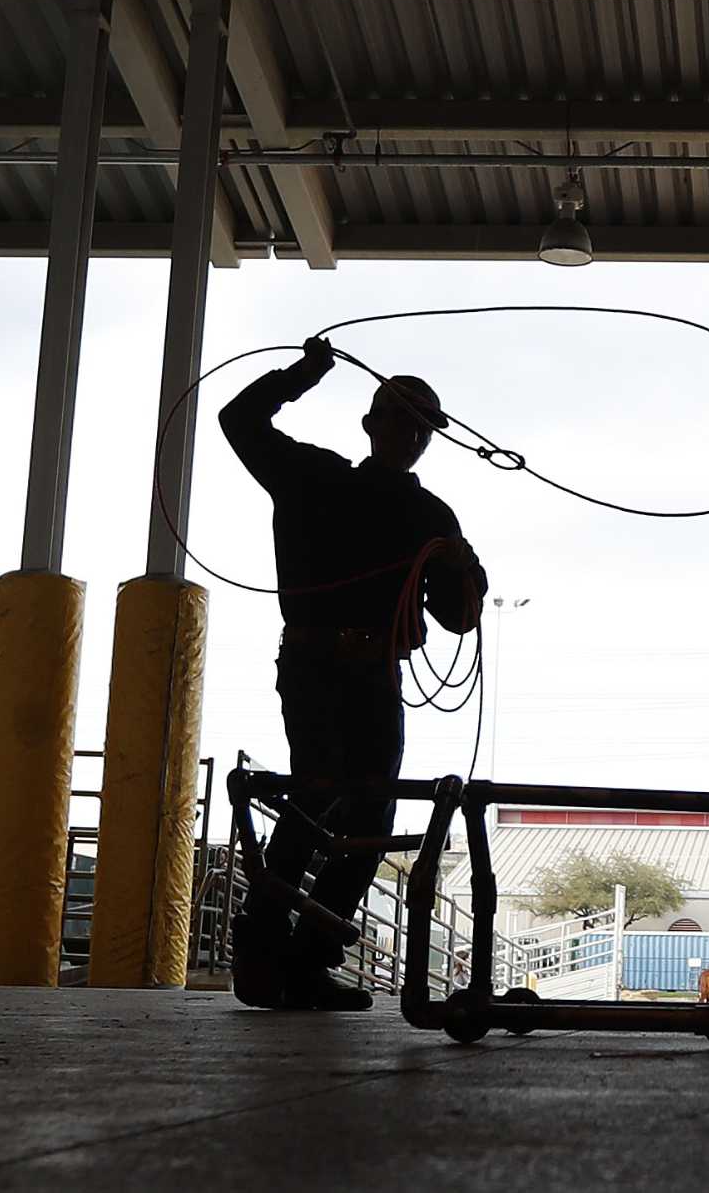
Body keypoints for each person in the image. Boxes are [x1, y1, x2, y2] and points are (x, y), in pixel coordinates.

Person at [220, 336, 488, 1011]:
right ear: (371, 424)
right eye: (400, 420)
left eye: (422, 428)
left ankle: (307, 960)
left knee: (369, 815)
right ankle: (261, 947)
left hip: (376, 674)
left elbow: (457, 619)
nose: (412, 436)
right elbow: (238, 420)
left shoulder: (430, 517)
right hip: (314, 663)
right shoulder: (312, 475)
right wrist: (302, 375)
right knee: (317, 798)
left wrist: (464, 571)